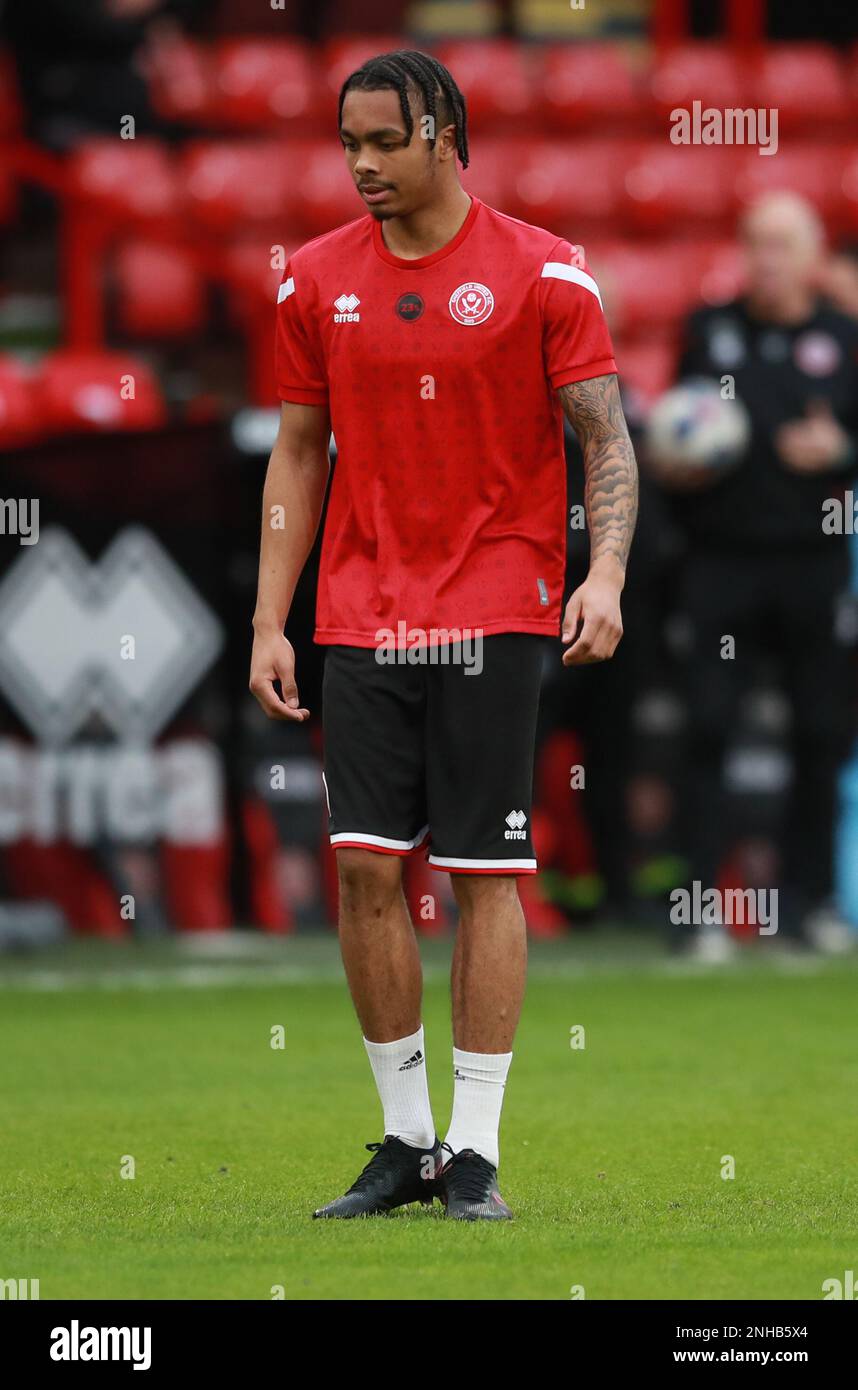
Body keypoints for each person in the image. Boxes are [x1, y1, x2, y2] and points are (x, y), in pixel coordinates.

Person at [249, 50, 638, 1220]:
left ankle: (475, 1149)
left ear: (444, 134)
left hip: (498, 601)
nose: (363, 164)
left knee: (483, 872)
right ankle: (405, 1138)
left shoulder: (549, 274)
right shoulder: (313, 282)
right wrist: (271, 615)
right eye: (348, 145)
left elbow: (606, 442)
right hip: (362, 609)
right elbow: (298, 454)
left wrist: (605, 571)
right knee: (364, 866)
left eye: (384, 141)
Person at [651, 192, 858, 955]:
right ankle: (699, 908)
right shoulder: (711, 331)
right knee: (707, 728)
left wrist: (839, 454)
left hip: (812, 563)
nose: (766, 259)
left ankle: (812, 905)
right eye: (755, 243)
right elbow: (672, 439)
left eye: (781, 244)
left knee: (819, 730)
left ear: (811, 259)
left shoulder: (844, 337)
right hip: (721, 565)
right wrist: (676, 463)